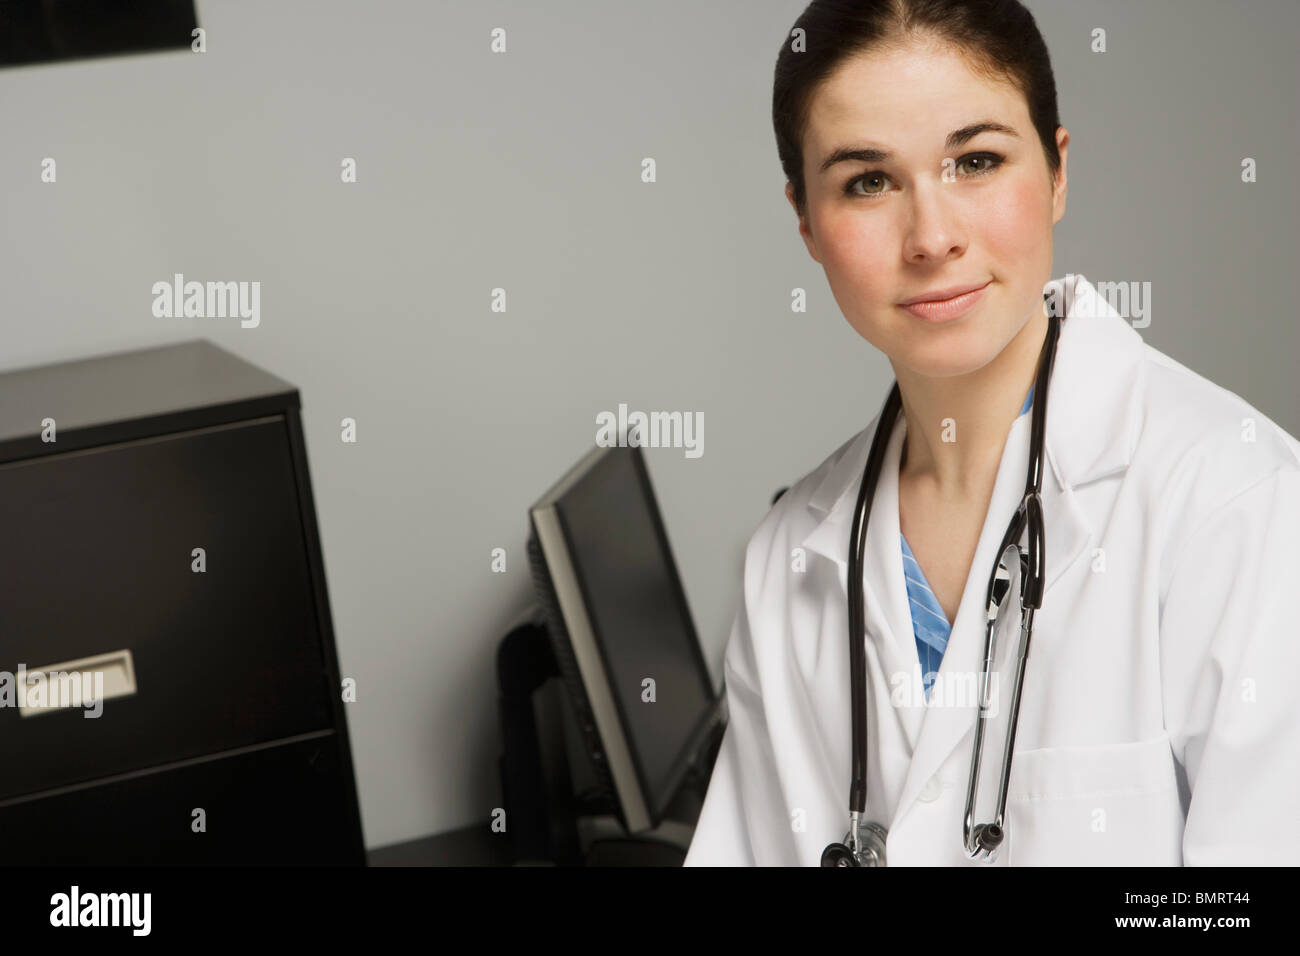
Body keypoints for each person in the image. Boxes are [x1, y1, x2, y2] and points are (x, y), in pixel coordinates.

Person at [683, 0, 1300, 866]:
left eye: (975, 161)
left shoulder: (1240, 502)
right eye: (868, 181)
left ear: (1055, 171)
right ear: (806, 220)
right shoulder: (790, 560)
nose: (932, 237)